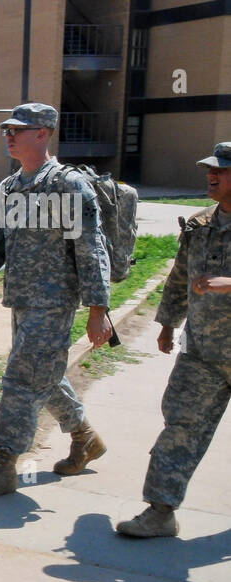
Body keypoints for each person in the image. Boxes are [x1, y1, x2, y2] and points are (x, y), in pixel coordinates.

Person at [0, 103, 114, 499]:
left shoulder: (69, 186)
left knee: (22, 379)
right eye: (7, 129)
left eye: (18, 129)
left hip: (55, 302)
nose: (9, 135)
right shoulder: (9, 188)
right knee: (43, 374)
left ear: (43, 133)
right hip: (22, 300)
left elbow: (90, 250)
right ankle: (85, 438)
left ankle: (4, 465)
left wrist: (99, 311)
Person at [117, 142, 231, 537]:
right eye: (210, 169)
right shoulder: (201, 225)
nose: (212, 175)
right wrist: (167, 323)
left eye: (223, 170)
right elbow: (180, 276)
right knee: (180, 426)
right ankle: (160, 511)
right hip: (202, 352)